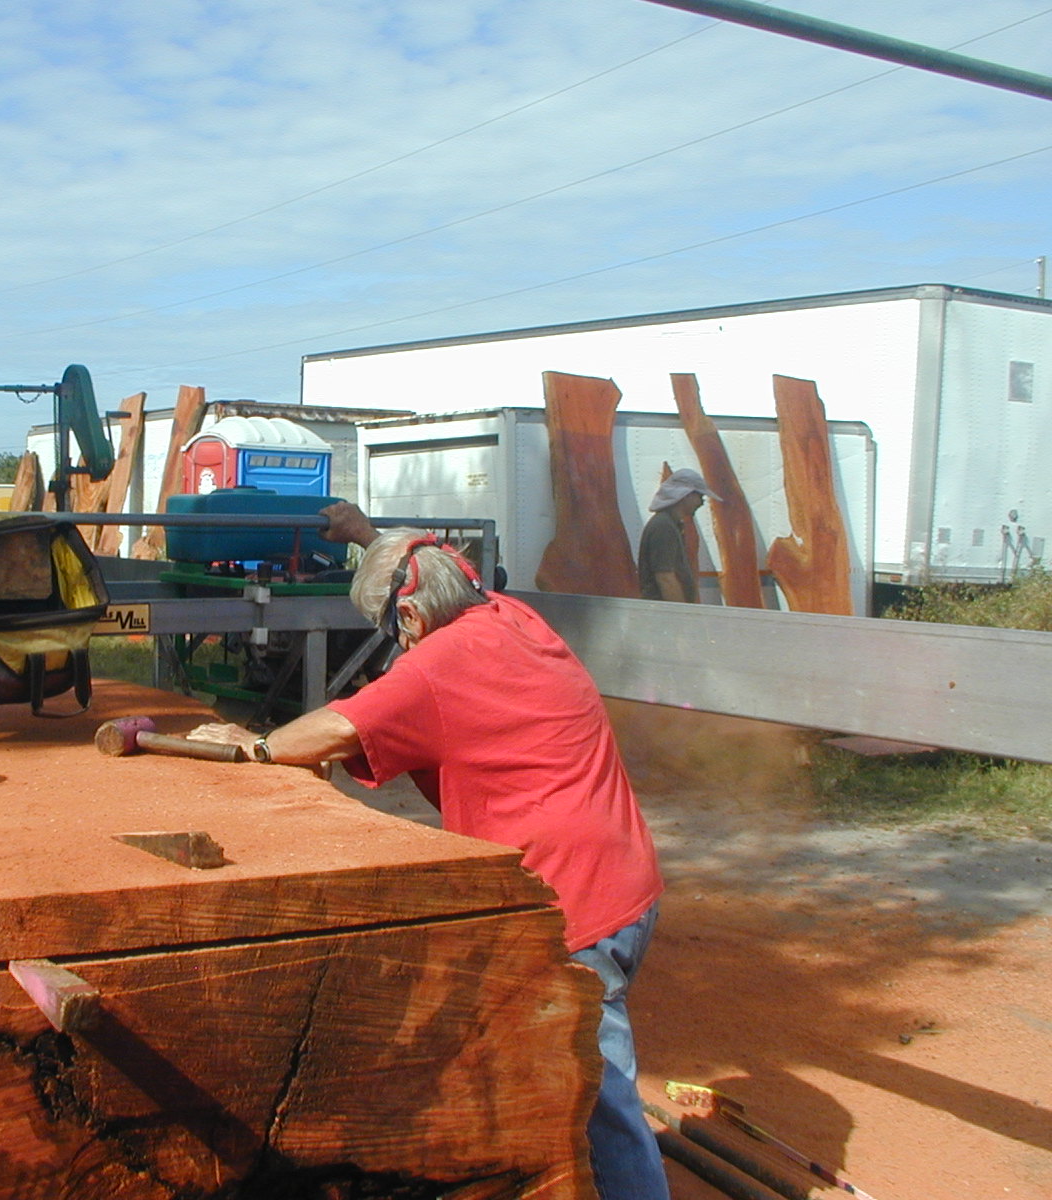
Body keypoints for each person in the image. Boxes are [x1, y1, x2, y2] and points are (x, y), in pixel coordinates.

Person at [193, 501, 669, 1200]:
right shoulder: (508, 616)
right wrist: (363, 536)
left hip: (573, 911)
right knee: (545, 1064)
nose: (397, 649)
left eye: (391, 635)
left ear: (410, 620)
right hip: (626, 883)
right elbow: (430, 561)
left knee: (600, 1097)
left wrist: (252, 746)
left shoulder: (440, 661)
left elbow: (329, 731)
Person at [637, 467, 717, 602]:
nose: (702, 502)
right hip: (663, 616)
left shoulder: (669, 524)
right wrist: (680, 616)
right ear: (686, 496)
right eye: (700, 496)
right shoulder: (664, 527)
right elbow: (665, 578)